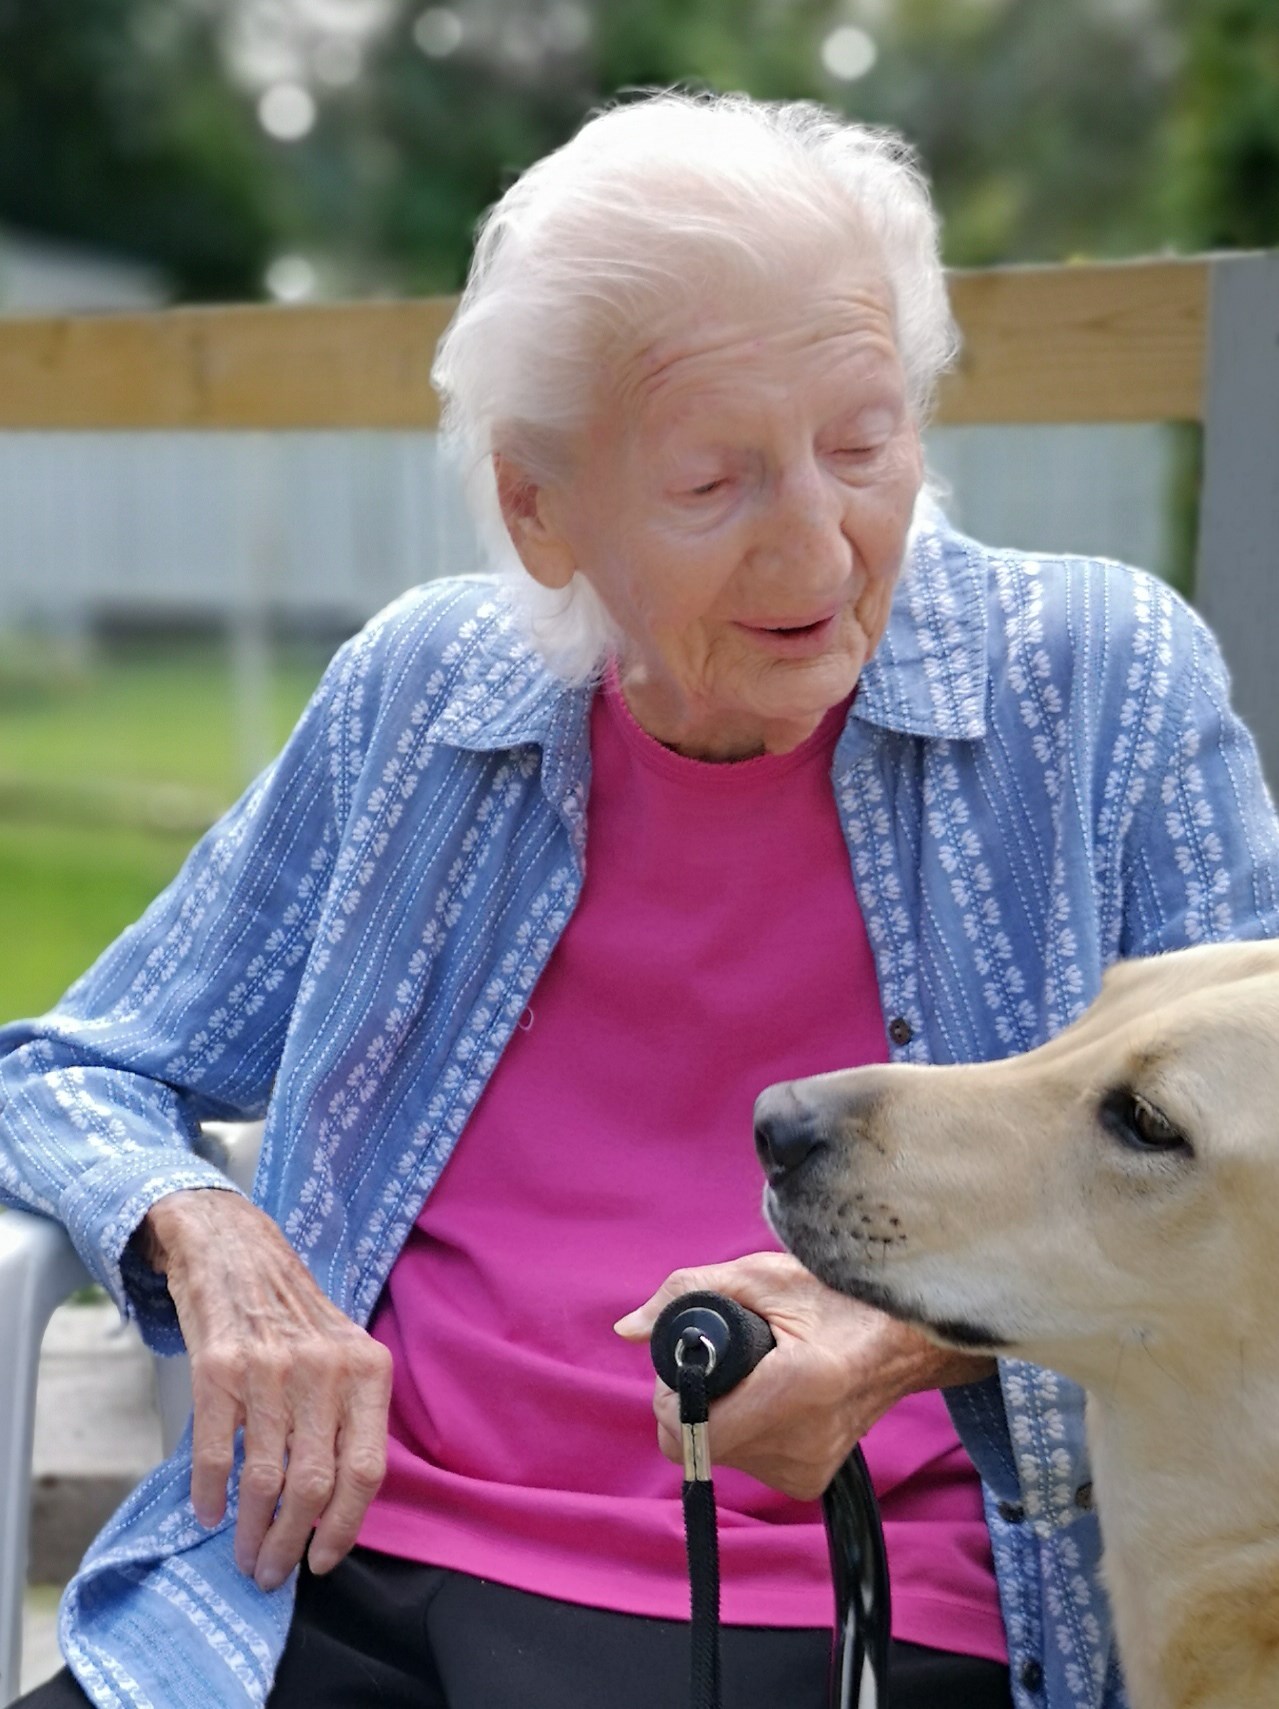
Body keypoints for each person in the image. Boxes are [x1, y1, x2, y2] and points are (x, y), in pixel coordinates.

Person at [3, 90, 1277, 1709]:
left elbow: (1247, 1205)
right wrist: (214, 1235)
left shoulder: (1100, 689)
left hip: (861, 1612)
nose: (820, 547)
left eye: (866, 443)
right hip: (324, 1582)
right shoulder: (420, 701)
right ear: (543, 511)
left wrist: (891, 1337)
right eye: (711, 484)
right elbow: (70, 1060)